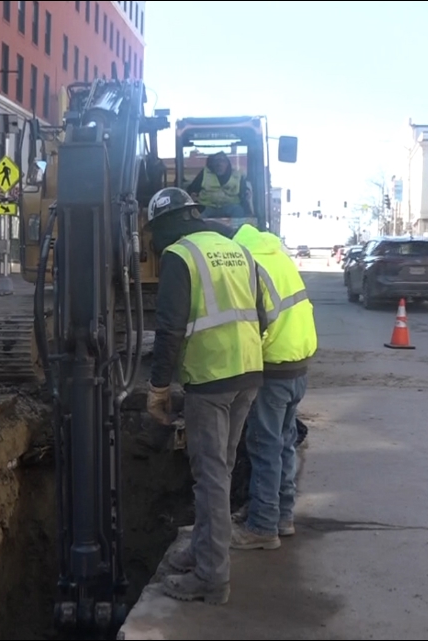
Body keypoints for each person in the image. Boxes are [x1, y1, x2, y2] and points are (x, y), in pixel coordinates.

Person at [144, 187, 268, 605]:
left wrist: (159, 387)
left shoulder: (180, 256)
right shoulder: (236, 250)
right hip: (249, 373)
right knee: (222, 469)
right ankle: (203, 550)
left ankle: (211, 578)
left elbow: (169, 330)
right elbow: (263, 313)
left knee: (210, 478)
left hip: (212, 381)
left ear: (166, 224)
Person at [228, 223, 318, 550]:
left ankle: (263, 527)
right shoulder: (278, 256)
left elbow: (252, 323)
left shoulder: (248, 264)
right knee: (284, 443)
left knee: (264, 446)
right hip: (298, 364)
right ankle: (282, 517)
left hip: (274, 367)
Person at [186, 151, 252, 220]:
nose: (219, 164)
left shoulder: (237, 175)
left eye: (222, 161)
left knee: (238, 211)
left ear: (227, 164)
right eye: (216, 161)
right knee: (198, 215)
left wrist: (249, 212)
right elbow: (192, 190)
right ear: (212, 164)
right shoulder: (204, 174)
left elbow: (244, 196)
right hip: (207, 207)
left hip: (230, 206)